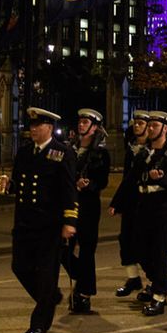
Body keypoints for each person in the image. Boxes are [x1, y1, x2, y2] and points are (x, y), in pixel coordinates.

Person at [0, 107, 78, 333]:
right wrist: (8, 185)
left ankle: (40, 321)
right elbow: (20, 184)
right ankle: (50, 297)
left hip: (48, 224)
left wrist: (70, 221)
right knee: (19, 267)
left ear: (49, 128)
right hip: (24, 222)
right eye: (31, 126)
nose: (33, 130)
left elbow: (69, 190)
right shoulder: (24, 153)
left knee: (46, 273)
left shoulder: (61, 153)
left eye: (38, 126)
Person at [128, 111, 167, 317]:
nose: (150, 128)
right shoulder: (143, 153)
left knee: (160, 254)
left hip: (165, 209)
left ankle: (159, 296)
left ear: (165, 129)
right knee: (141, 251)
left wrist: (162, 178)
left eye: (155, 125)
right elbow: (133, 178)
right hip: (144, 206)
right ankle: (162, 281)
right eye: (149, 125)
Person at [64, 109, 111, 314]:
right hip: (69, 205)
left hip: (88, 206)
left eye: (85, 122)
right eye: (80, 121)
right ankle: (82, 280)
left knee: (86, 250)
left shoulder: (101, 153)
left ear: (95, 127)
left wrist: (89, 184)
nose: (81, 125)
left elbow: (103, 181)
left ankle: (84, 294)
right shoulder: (68, 149)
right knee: (62, 249)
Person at [111, 111, 151, 296]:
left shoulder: (154, 150)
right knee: (125, 240)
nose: (137, 126)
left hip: (148, 202)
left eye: (141, 123)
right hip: (131, 202)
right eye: (136, 123)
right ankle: (133, 278)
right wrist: (118, 202)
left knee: (146, 244)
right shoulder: (131, 149)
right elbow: (127, 179)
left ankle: (153, 284)